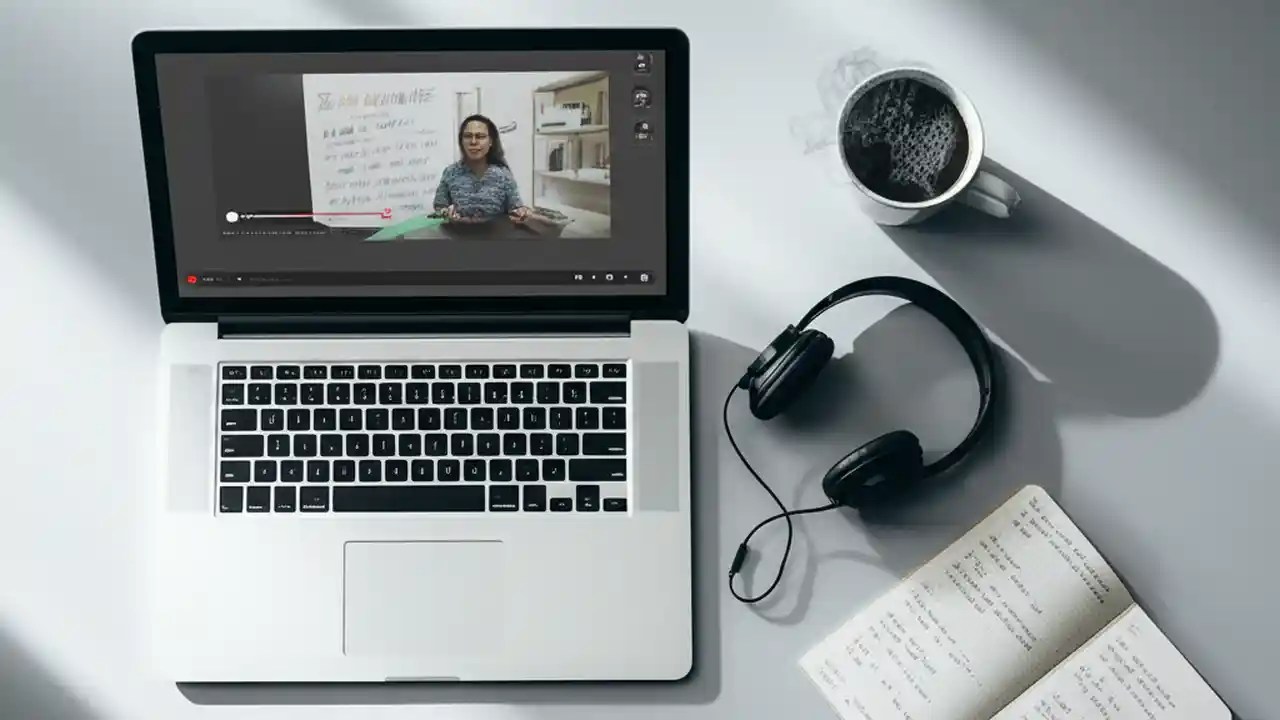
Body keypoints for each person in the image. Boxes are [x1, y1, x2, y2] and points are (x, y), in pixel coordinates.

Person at [432, 114, 532, 223]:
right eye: (468, 136)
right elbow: (439, 207)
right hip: (459, 236)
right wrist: (446, 212)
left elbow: (516, 209)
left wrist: (522, 212)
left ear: (490, 142)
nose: (473, 142)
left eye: (480, 136)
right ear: (461, 141)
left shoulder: (503, 175)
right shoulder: (451, 173)